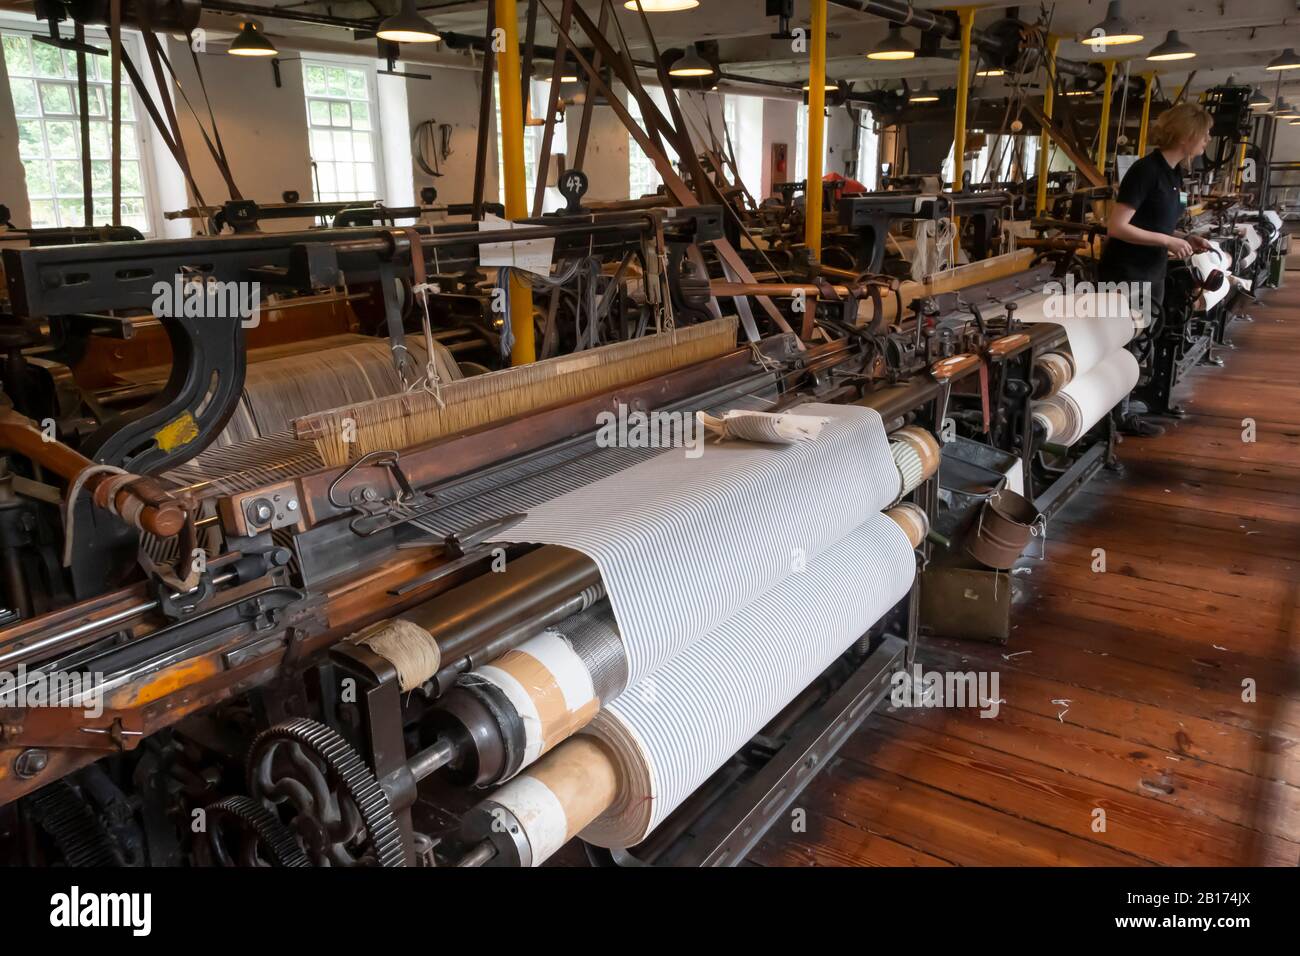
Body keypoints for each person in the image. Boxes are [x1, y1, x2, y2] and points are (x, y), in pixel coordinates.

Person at [1099, 101, 1214, 436]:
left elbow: (1154, 223)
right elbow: (1117, 227)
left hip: (1151, 272)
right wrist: (1166, 242)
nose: (1207, 140)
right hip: (1127, 273)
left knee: (1139, 343)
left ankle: (1120, 412)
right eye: (1204, 134)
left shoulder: (1172, 173)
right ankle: (1112, 420)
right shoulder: (1146, 171)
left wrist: (1184, 237)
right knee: (1123, 345)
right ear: (1187, 135)